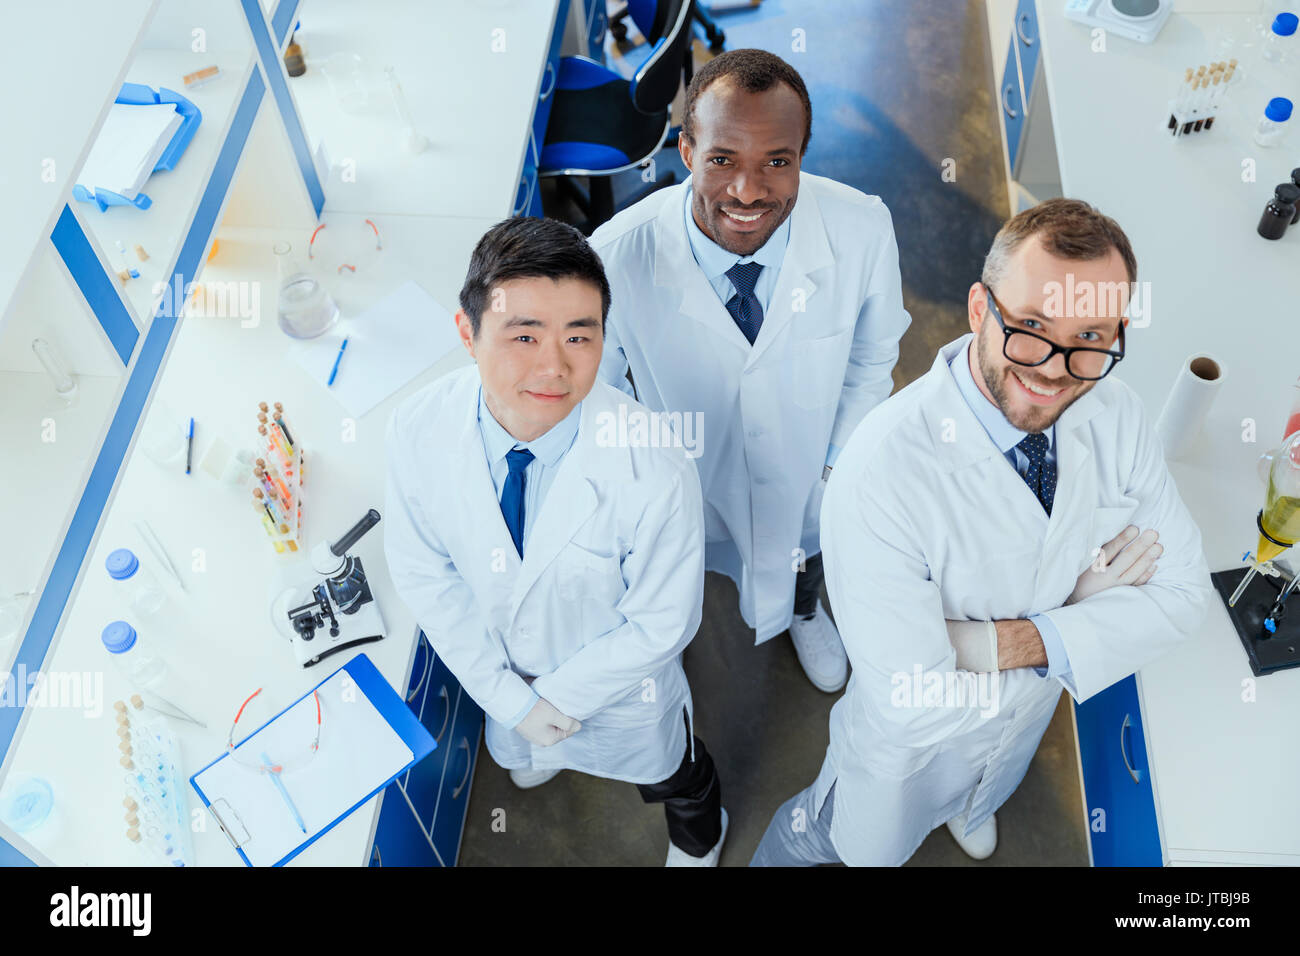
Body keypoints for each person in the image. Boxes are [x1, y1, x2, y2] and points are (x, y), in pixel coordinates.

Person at [751, 198, 1212, 866]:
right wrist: (1081, 621)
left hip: (1016, 735)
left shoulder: (1116, 412)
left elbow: (1184, 595)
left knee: (985, 789)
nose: (1055, 367)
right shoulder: (879, 474)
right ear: (978, 310)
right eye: (1030, 325)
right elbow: (914, 702)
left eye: (1091, 337)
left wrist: (1002, 643)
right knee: (835, 844)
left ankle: (973, 806)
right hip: (903, 762)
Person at [384, 217, 726, 865]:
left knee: (672, 772)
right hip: (505, 680)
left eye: (579, 335)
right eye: (523, 335)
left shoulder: (654, 462)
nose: (555, 366)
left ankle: (699, 832)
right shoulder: (416, 430)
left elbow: (662, 622)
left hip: (621, 693)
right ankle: (535, 740)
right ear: (468, 333)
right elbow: (425, 574)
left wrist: (557, 701)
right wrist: (513, 701)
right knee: (523, 750)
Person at [590, 49, 912, 692]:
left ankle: (802, 608)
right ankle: (665, 632)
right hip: (685, 477)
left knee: (803, 555)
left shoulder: (862, 229)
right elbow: (601, 391)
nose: (747, 191)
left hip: (810, 473)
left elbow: (873, 359)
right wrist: (647, 479)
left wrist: (831, 467)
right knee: (677, 575)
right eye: (722, 160)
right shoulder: (615, 257)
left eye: (776, 161)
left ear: (801, 155)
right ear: (686, 151)